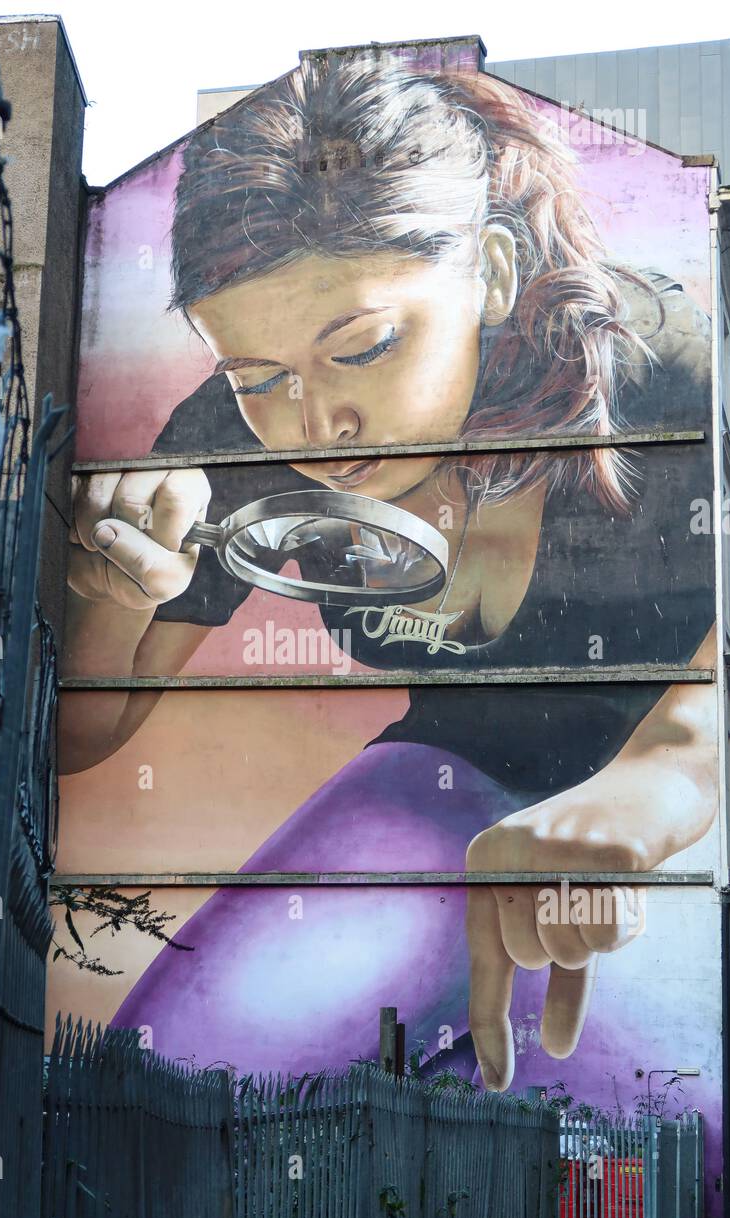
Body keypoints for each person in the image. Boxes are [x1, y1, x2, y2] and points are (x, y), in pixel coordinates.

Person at [62, 58, 716, 1089]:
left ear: (491, 273)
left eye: (363, 347)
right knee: (164, 1084)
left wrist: (658, 780)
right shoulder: (229, 445)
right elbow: (80, 736)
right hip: (449, 779)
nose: (317, 425)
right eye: (259, 378)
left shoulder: (648, 360)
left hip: (681, 806)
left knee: (646, 1116)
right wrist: (108, 598)